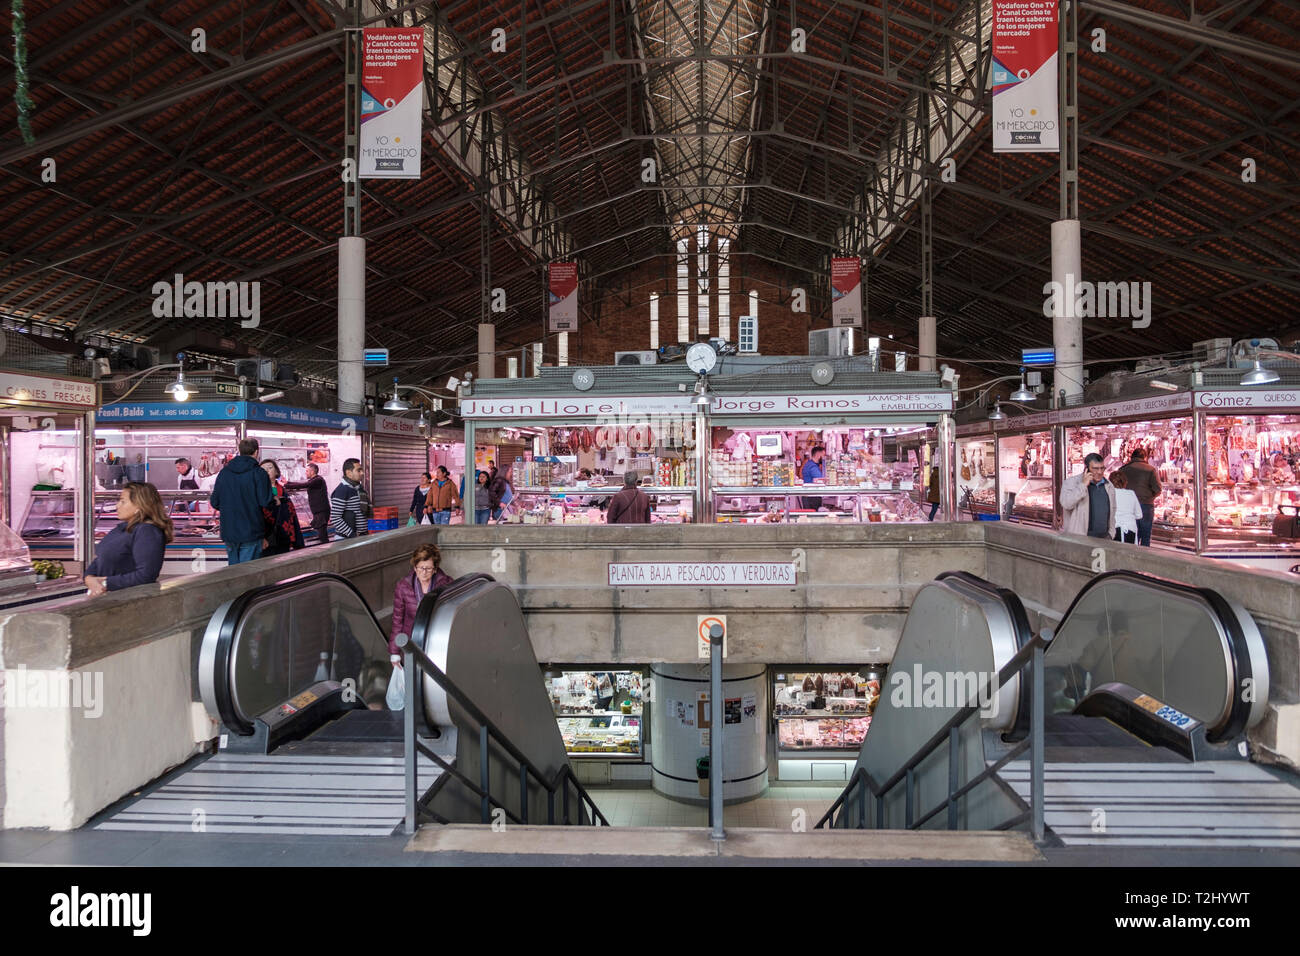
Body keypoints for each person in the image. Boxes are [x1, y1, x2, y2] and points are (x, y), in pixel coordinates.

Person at [83, 482, 173, 595]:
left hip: (127, 601)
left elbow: (145, 575)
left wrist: (106, 583)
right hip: (106, 599)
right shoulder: (123, 528)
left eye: (123, 501)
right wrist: (89, 577)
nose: (117, 506)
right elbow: (102, 559)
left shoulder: (147, 531)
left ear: (139, 506)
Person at [210, 437, 275, 564]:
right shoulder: (259, 473)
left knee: (234, 573)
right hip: (251, 531)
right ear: (256, 452)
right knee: (248, 574)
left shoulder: (224, 473)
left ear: (240, 451)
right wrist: (275, 501)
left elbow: (215, 502)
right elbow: (265, 502)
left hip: (229, 532)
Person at [389, 543, 453, 658]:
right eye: (420, 568)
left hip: (436, 642)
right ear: (414, 567)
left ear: (435, 569)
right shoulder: (403, 587)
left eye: (428, 569)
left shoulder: (446, 584)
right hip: (412, 642)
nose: (424, 572)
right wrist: (394, 652)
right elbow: (397, 622)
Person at [1060, 452, 1116, 539]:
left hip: (1104, 538)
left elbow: (1113, 510)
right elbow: (1066, 504)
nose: (1099, 472)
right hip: (1080, 538)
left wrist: (1111, 533)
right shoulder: (1071, 483)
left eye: (1102, 468)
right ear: (1086, 469)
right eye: (1095, 468)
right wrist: (1083, 485)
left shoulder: (1109, 485)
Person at [260, 460, 306, 555]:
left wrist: (297, 539)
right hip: (267, 538)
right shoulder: (259, 491)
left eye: (270, 467)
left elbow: (292, 514)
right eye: (263, 469)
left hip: (284, 535)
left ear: (276, 471)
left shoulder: (282, 491)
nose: (267, 471)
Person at [1118, 448, 1162, 547]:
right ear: (1145, 457)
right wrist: (1150, 497)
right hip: (1145, 505)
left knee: (1132, 534)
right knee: (1145, 536)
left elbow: (1117, 487)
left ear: (1132, 457)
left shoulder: (1123, 469)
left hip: (1128, 506)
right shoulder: (1150, 469)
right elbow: (1158, 489)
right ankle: (1144, 557)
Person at [283, 462, 331, 545]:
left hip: (321, 512)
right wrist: (287, 483)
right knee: (320, 533)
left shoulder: (318, 480)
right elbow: (302, 484)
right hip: (318, 512)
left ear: (312, 472)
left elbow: (304, 485)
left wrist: (286, 485)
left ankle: (327, 551)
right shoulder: (314, 480)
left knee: (323, 535)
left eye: (307, 471)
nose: (305, 473)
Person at [330, 457, 367, 539]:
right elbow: (335, 518)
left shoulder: (358, 489)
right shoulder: (342, 490)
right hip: (346, 539)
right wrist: (351, 534)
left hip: (359, 537)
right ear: (349, 473)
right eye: (359, 470)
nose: (362, 473)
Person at [1110, 469, 1142, 544]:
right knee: (1128, 554)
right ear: (1125, 482)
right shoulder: (1131, 493)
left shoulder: (1109, 493)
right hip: (1130, 529)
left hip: (1114, 528)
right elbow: (1139, 515)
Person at [801, 444, 826, 510]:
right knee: (814, 517)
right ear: (818, 455)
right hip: (812, 496)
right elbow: (820, 480)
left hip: (808, 495)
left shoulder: (809, 464)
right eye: (823, 455)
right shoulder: (813, 467)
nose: (824, 458)